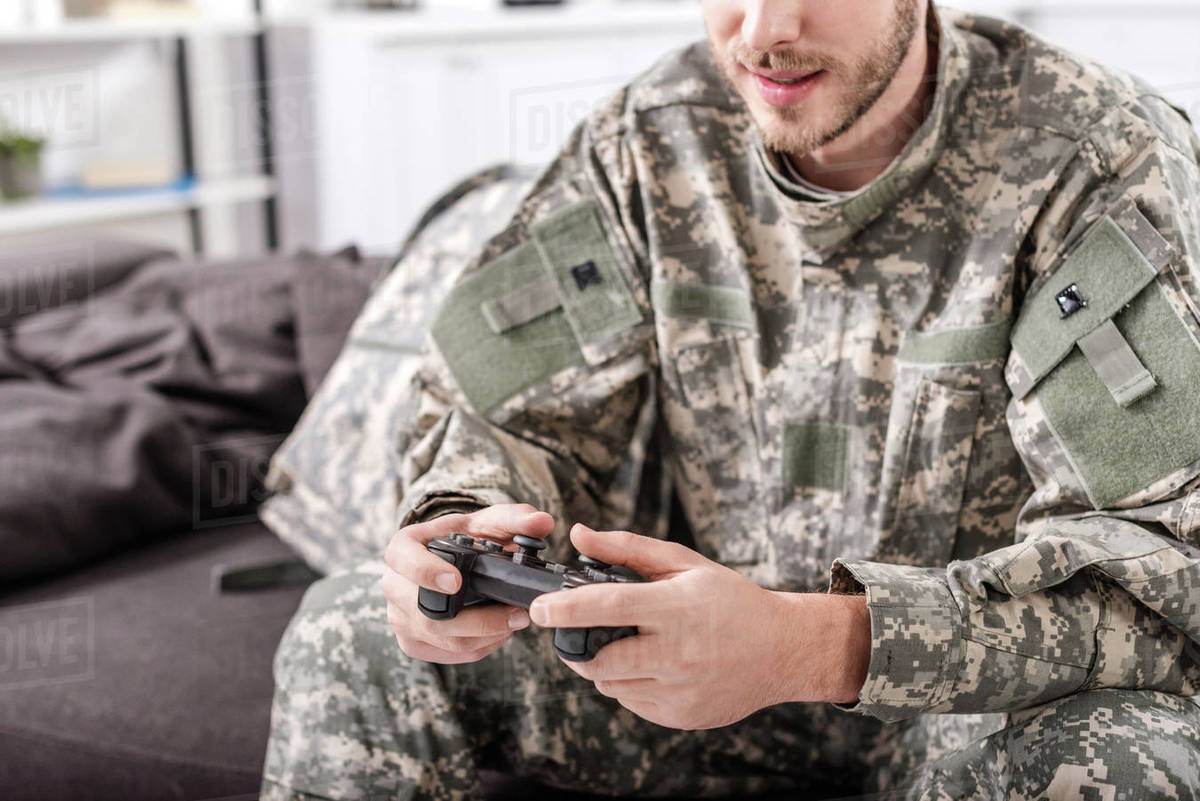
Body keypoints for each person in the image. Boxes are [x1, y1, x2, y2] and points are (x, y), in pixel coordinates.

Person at [260, 0, 1200, 798]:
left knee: (1120, 762)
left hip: (964, 713)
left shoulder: (1091, 158)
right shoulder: (648, 138)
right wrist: (459, 520)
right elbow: (491, 412)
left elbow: (1168, 580)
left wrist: (806, 646)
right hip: (664, 678)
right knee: (349, 631)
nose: (763, 32)